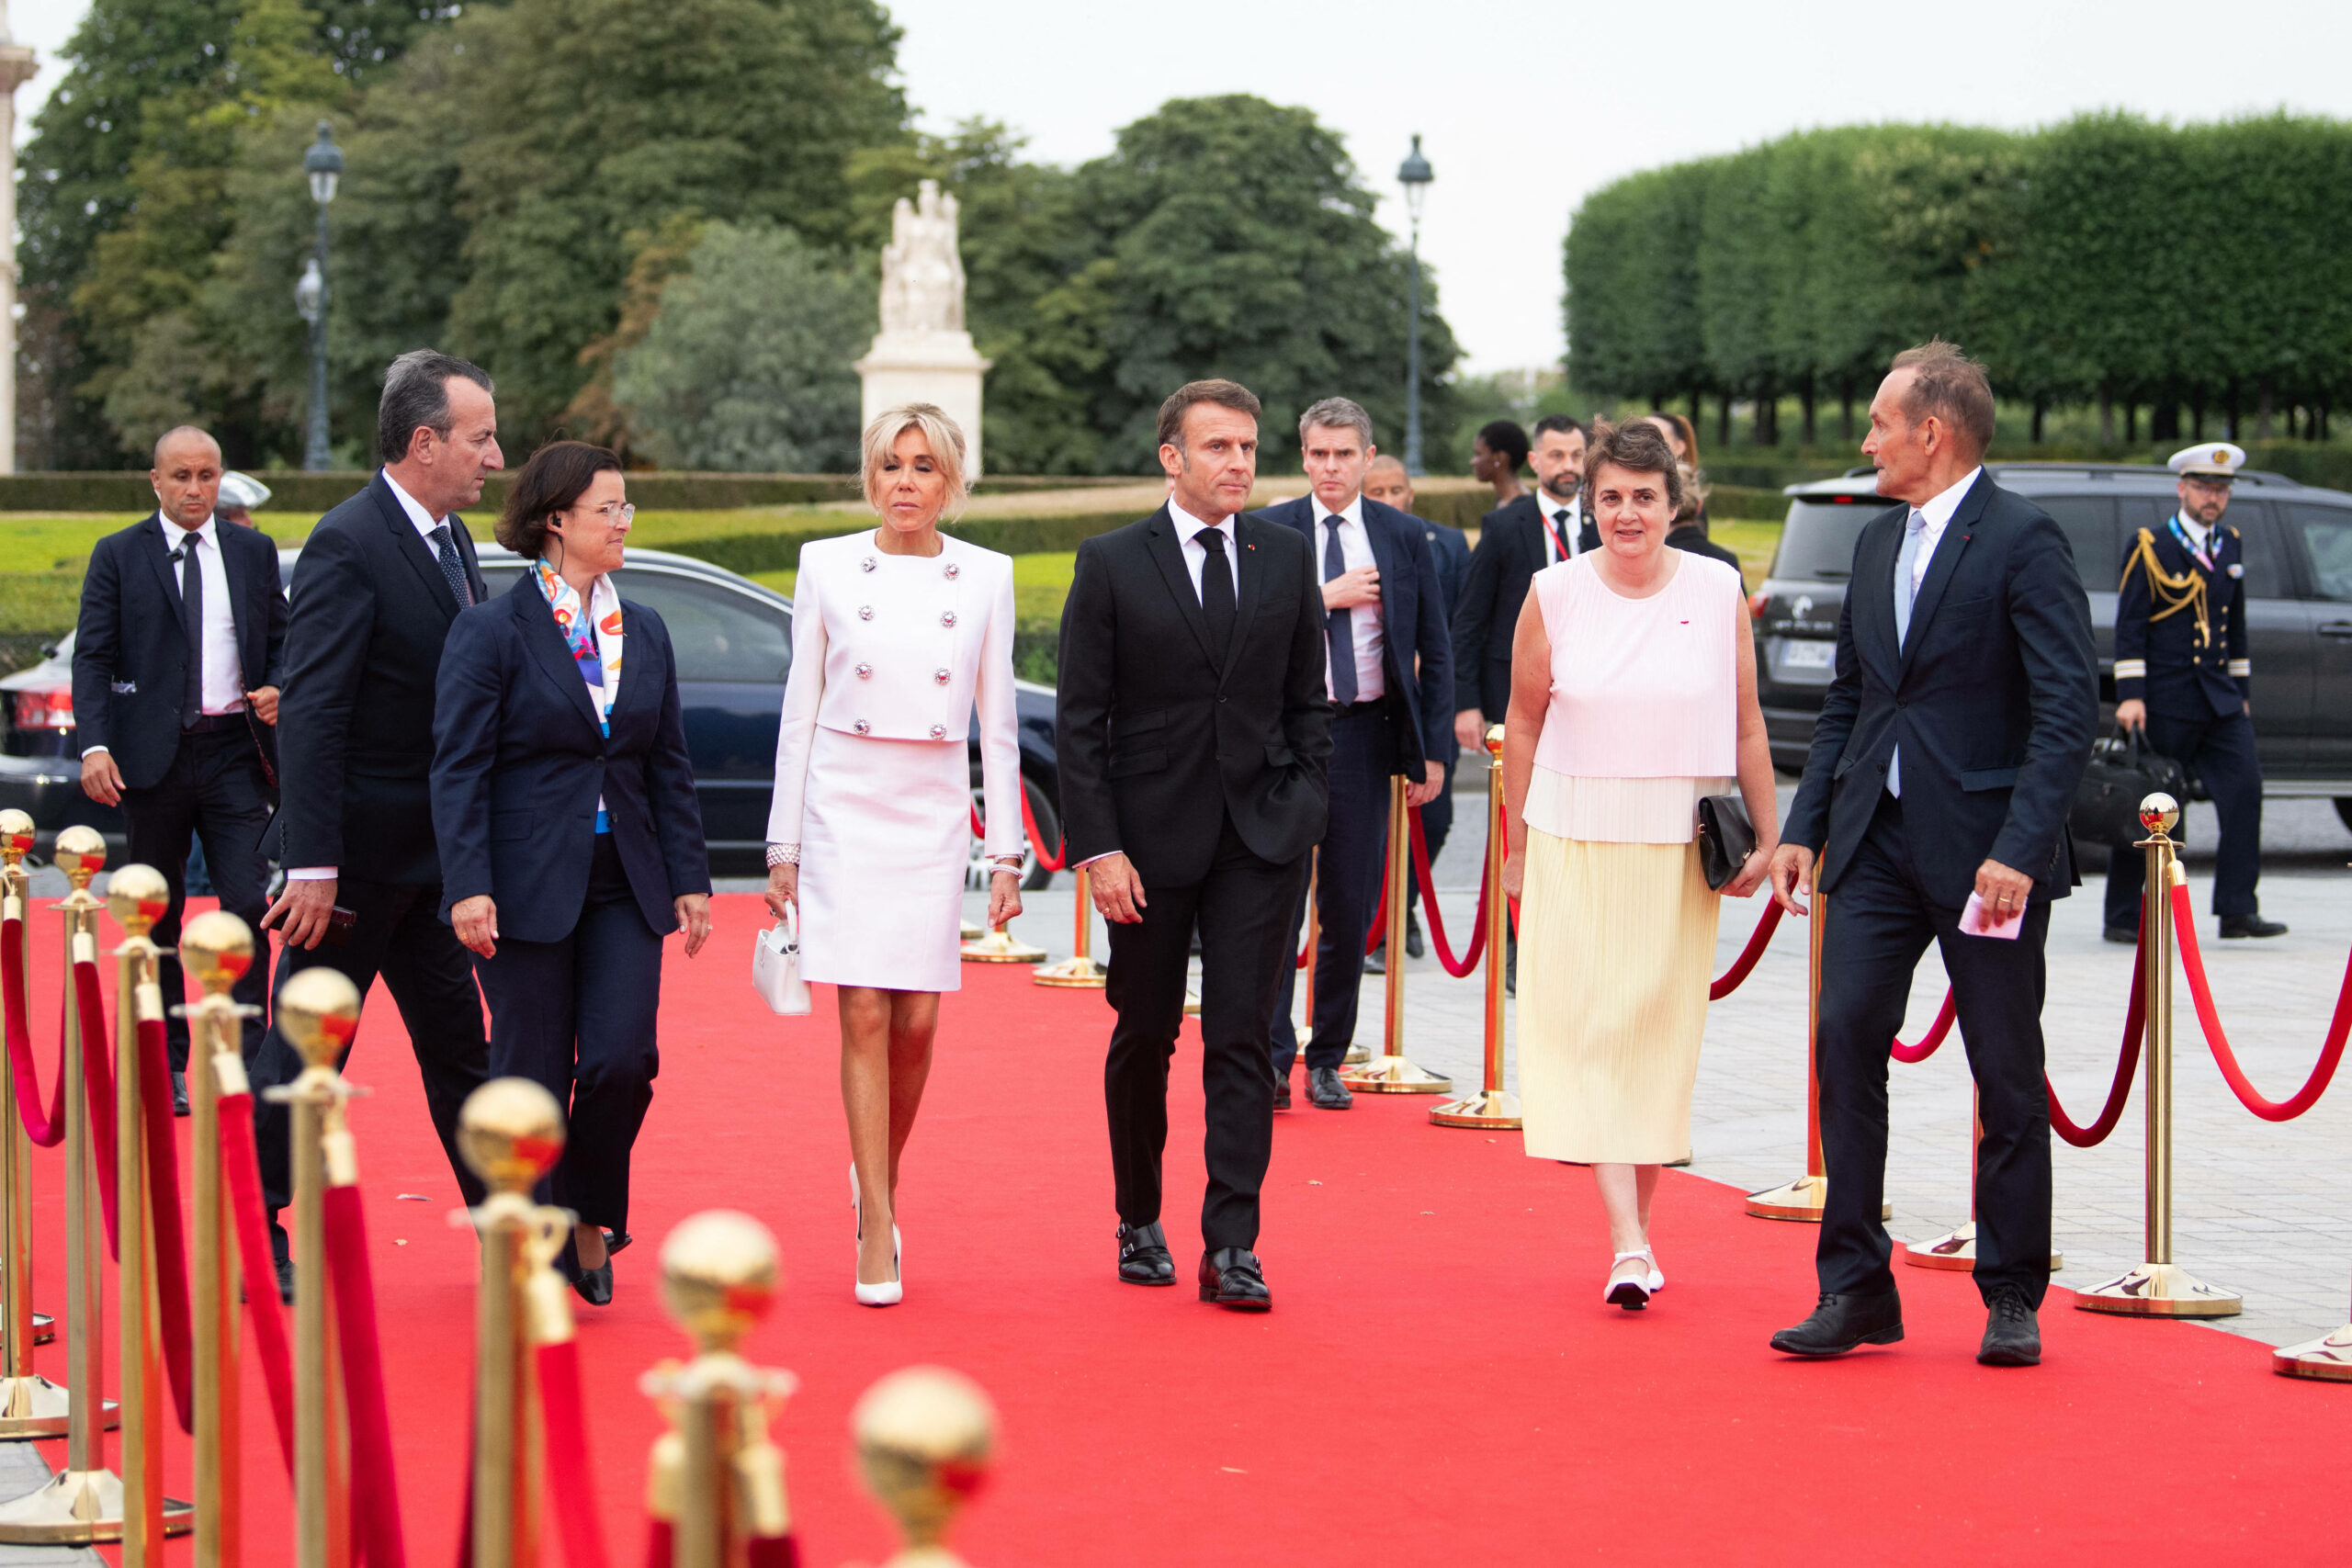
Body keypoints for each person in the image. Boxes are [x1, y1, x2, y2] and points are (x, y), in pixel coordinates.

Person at [1766, 341, 2096, 1368]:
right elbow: (1850, 705)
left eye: (1877, 423)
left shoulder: (2022, 539)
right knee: (1844, 1036)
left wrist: (2020, 848)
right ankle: (1855, 1286)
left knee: (2003, 1069)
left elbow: (2063, 709)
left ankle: (2010, 1292)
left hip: (1985, 854)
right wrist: (1803, 827)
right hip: (1874, 843)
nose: (1865, 440)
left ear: (1931, 432)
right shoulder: (1874, 546)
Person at [1057, 378, 1331, 1312]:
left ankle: (1232, 1244)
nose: (1240, 464)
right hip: (1145, 844)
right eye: (1219, 447)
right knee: (1145, 1032)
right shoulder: (1111, 563)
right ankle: (1138, 1217)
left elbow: (1308, 701)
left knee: (1245, 1040)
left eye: (1249, 447)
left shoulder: (1285, 557)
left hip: (1260, 839)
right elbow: (1081, 720)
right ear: (1172, 458)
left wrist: (1303, 803)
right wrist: (1097, 848)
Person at [1499, 420, 1777, 1307]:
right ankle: (1627, 1243)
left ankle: (1638, 1240)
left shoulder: (1717, 585)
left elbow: (1746, 724)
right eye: (1610, 497)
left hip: (1678, 846)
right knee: (1598, 1032)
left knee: (1658, 1043)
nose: (1627, 514)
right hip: (1575, 838)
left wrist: (1770, 842)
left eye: (1643, 498)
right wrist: (1514, 850)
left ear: (1674, 505)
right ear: (1591, 505)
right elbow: (1526, 726)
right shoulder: (1553, 592)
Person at [432, 441, 714, 1306]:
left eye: (627, 509)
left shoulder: (647, 630)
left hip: (626, 879)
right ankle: (525, 1234)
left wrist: (691, 878)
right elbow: (459, 767)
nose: (625, 523)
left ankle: (589, 1208)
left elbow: (665, 762)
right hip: (522, 885)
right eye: (610, 510)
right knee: (530, 1073)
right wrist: (467, 882)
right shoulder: (490, 630)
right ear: (557, 520)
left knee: (624, 1060)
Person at [255, 349, 503, 1299]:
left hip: (432, 861)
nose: (493, 456)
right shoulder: (348, 541)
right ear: (424, 440)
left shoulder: (451, 541)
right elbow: (314, 708)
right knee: (307, 1046)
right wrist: (311, 862)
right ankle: (257, 1219)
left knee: (459, 1048)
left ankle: (504, 1219)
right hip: (349, 870)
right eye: (479, 438)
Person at [763, 404, 1023, 1307]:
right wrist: (783, 843)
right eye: (889, 466)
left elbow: (999, 727)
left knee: (917, 1021)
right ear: (869, 477)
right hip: (845, 794)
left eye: (921, 466)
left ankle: (878, 1172)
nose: (904, 483)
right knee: (865, 1010)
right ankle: (878, 1216)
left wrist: (1005, 856)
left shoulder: (986, 575)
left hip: (930, 806)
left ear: (951, 479)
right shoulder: (827, 565)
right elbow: (799, 706)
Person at [72, 425, 285, 1111]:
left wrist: (281, 686)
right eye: (182, 476)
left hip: (232, 751)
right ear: (156, 482)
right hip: (151, 761)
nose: (196, 489)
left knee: (249, 905)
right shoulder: (118, 555)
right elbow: (93, 659)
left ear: (221, 478)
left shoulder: (253, 553)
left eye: (207, 475)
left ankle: (250, 1060)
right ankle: (167, 1064)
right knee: (157, 917)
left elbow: (284, 639)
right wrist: (94, 745)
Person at [1250, 399, 1451, 1110]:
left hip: (1365, 736)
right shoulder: (1266, 530)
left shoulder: (1402, 536)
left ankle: (1326, 1055)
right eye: (1317, 454)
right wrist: (1323, 596)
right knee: (1276, 903)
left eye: (1343, 454)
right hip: (1283, 740)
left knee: (1350, 899)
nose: (1329, 467)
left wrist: (1431, 756)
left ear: (1369, 459)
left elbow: (1436, 644)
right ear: (1302, 457)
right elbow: (1243, 630)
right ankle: (1270, 1057)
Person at [2104, 442, 2283, 942]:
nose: (2213, 497)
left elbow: (2236, 625)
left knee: (2245, 791)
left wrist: (2241, 690)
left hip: (2220, 699)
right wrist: (2132, 694)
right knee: (2152, 802)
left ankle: (2237, 909)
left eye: (2221, 489)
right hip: (2166, 697)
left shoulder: (2230, 544)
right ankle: (2122, 914)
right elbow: (2131, 625)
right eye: (2204, 487)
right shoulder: (2151, 545)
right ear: (2182, 489)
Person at [1451, 415, 1591, 992]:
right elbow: (1471, 617)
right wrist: (1466, 703)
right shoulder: (1506, 526)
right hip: (1517, 700)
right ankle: (1514, 947)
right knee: (1521, 823)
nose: (1568, 466)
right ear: (1534, 462)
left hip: (1586, 700)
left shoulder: (1604, 520)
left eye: (1577, 454)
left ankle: (1575, 942)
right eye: (1555, 454)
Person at [1364, 454, 1468, 964]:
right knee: (1372, 822)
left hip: (1432, 703)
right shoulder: (1352, 541)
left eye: (1396, 490)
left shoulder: (1448, 543)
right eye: (1376, 491)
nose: (1389, 500)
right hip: (1369, 705)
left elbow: (1462, 626)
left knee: (1437, 816)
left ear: (1411, 493)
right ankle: (1377, 923)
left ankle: (1400, 906)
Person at [1470, 419, 1530, 509]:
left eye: (1478, 454)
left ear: (1499, 458)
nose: (1472, 461)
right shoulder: (1505, 501)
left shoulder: (1520, 509)